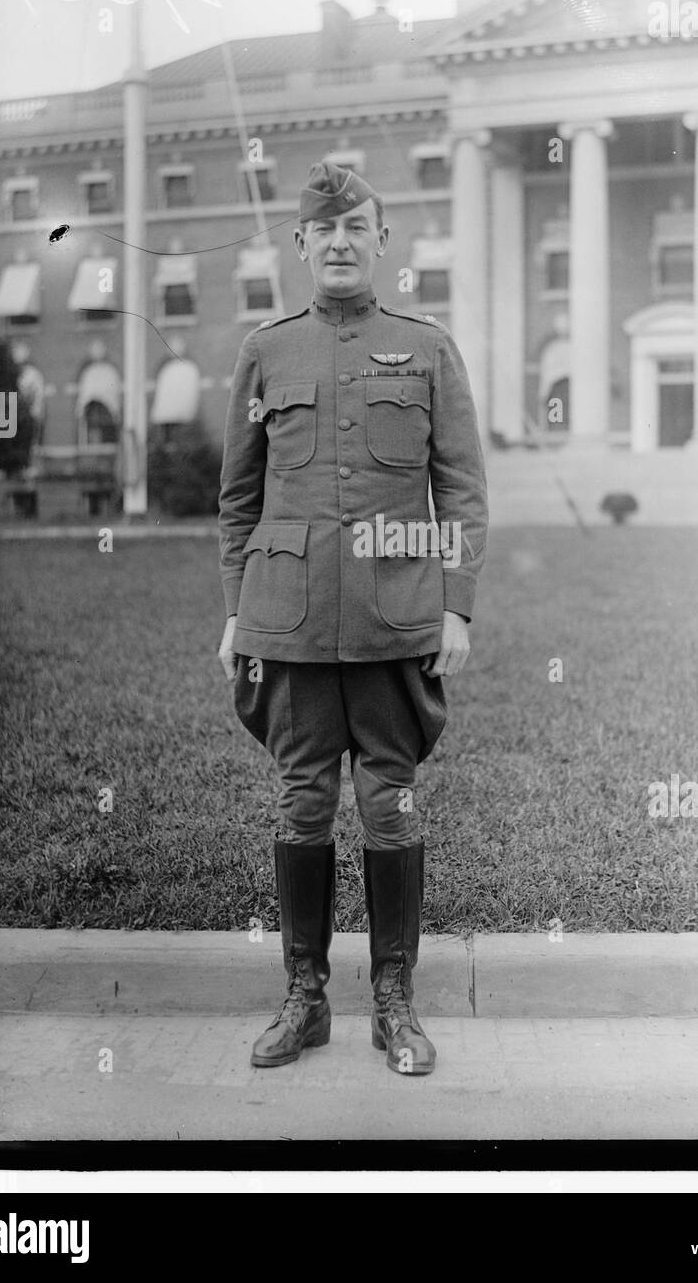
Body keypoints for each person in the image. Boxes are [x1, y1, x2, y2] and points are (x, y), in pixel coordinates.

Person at [217, 160, 488, 1076]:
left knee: (390, 806)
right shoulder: (267, 351)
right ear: (300, 245)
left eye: (356, 227)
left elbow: (460, 489)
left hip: (396, 618)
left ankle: (396, 1003)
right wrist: (236, 614)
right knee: (301, 804)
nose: (339, 242)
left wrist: (455, 607)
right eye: (322, 229)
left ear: (382, 242)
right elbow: (238, 502)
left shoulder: (427, 347)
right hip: (287, 622)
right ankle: (305, 999)